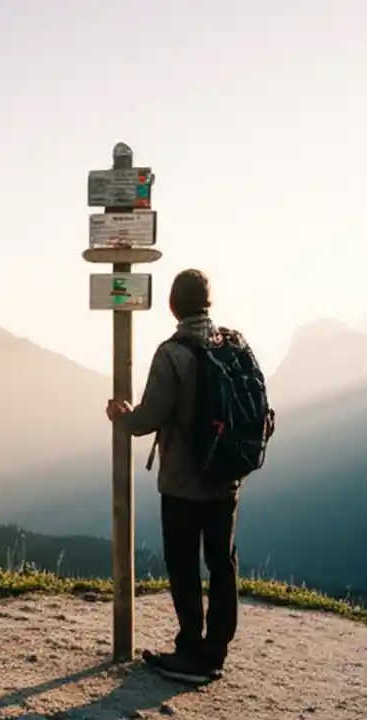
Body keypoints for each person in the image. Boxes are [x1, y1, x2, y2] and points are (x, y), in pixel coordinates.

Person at [105, 268, 244, 685]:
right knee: (222, 563)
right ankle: (215, 652)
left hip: (183, 483)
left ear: (173, 305)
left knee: (183, 564)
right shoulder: (232, 344)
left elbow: (148, 417)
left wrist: (121, 416)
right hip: (225, 477)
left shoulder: (173, 353)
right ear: (208, 302)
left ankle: (190, 650)